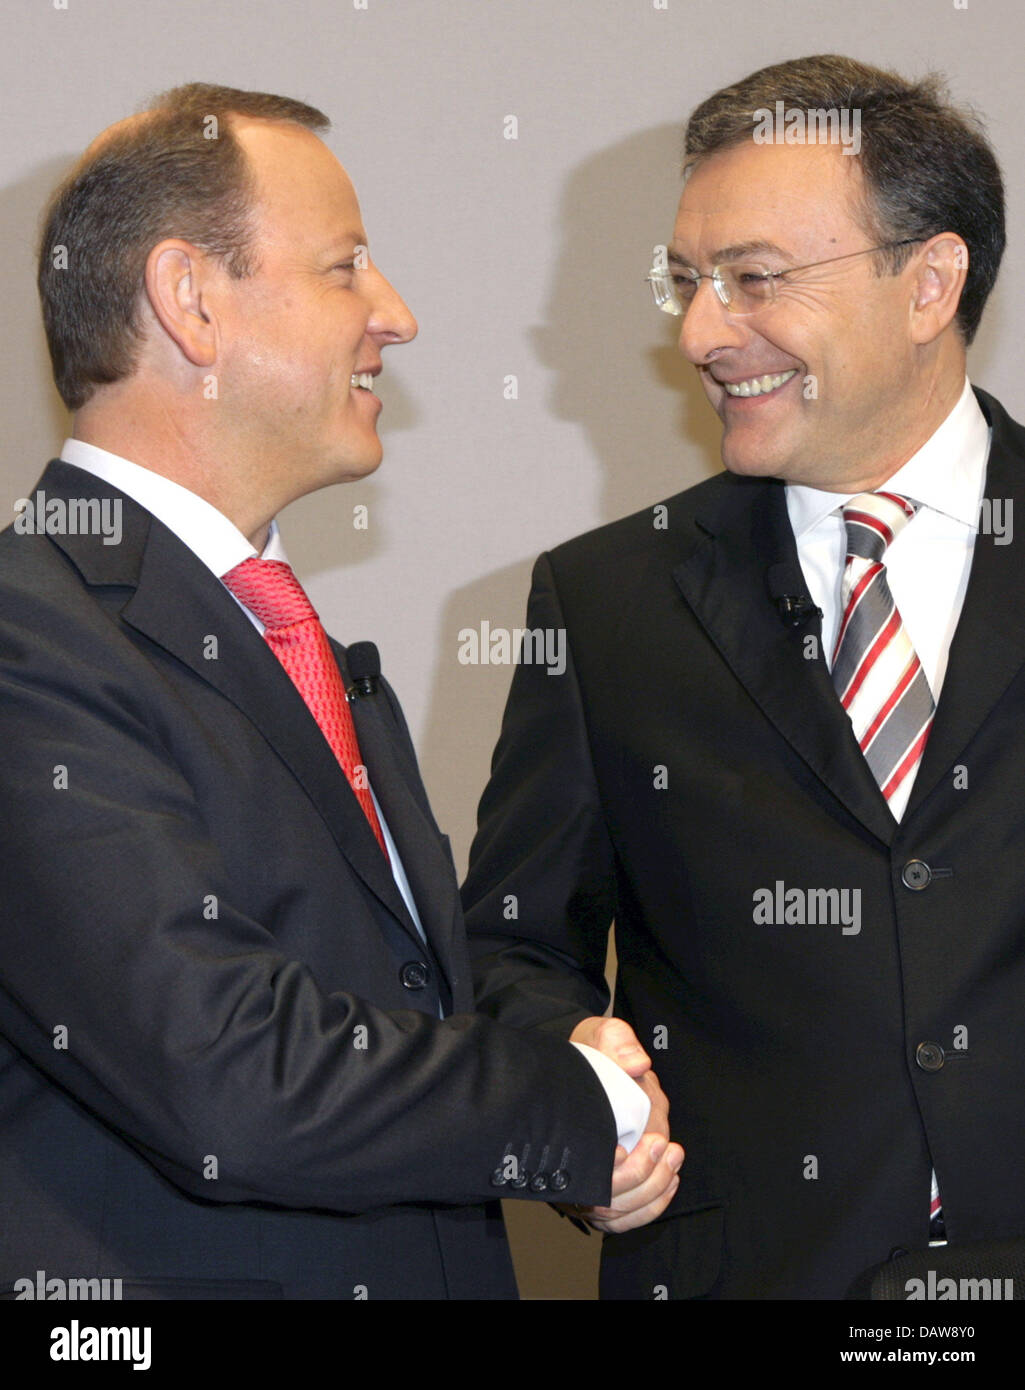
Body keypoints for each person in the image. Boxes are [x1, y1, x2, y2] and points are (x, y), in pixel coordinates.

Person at [0, 83, 683, 1302]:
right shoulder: (26, 628)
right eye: (344, 266)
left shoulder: (281, 635)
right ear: (191, 301)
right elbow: (226, 1073)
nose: (396, 316)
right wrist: (565, 1104)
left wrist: (544, 1078)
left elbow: (381, 1018)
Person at [462, 53, 1025, 1298]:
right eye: (687, 283)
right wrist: (573, 1077)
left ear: (929, 281)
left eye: (754, 279)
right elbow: (509, 944)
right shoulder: (607, 601)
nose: (700, 333)